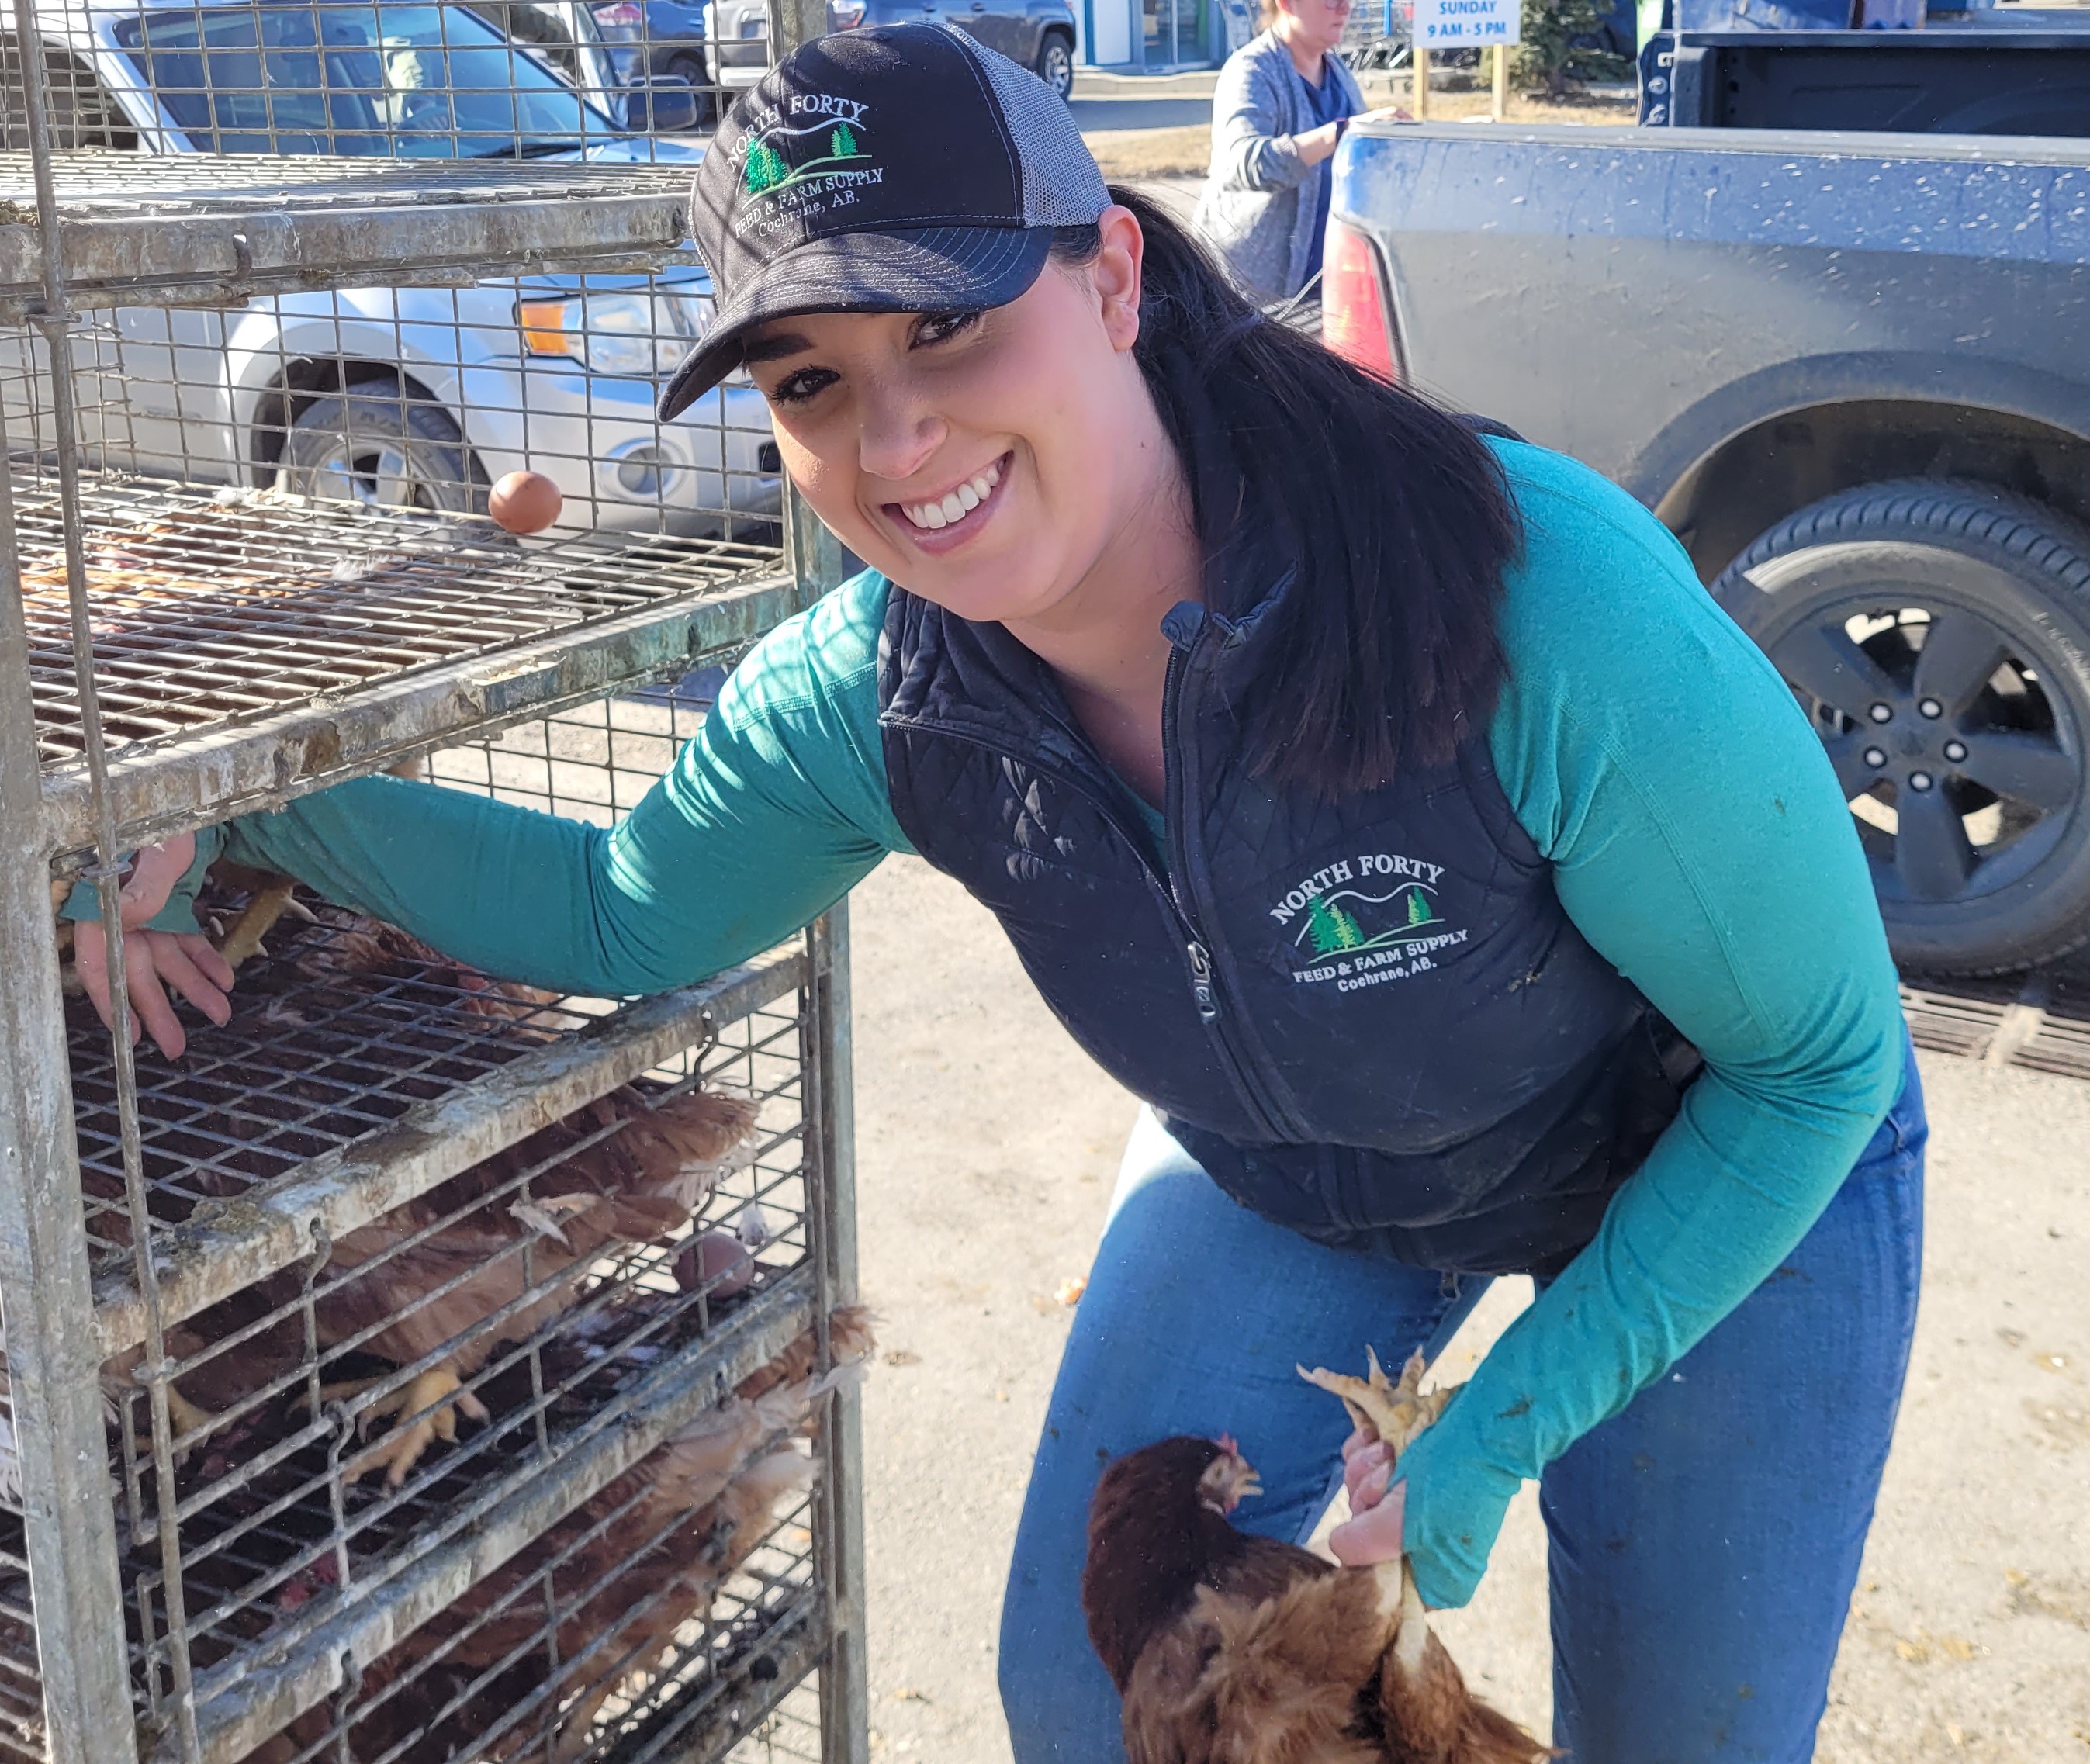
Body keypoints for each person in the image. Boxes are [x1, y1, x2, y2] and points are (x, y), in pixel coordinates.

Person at [74, 22, 1924, 1764]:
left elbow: (1812, 1063)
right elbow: (616, 916)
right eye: (814, 383)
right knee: (1093, 1666)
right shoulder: (877, 692)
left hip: (1713, 1152)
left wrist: (1502, 1427)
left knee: (1691, 1723)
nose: (892, 447)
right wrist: (232, 813)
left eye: (948, 333)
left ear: (1111, 280)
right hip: (1307, 1166)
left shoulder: (1525, 602)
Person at [1194, 0, 1372, 308]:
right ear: (1287, 3)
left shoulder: (1338, 73)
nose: (1345, 8)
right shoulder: (1252, 69)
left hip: (1324, 291)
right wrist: (1340, 131)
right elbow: (1243, 164)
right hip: (1249, 299)